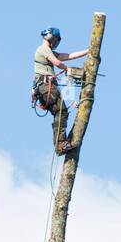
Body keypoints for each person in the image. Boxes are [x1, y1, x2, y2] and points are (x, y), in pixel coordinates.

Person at [32, 27, 87, 155]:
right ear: (52, 38)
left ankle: (61, 144)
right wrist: (68, 69)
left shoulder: (47, 51)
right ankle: (61, 144)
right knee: (61, 111)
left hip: (45, 87)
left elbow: (67, 56)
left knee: (60, 112)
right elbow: (57, 62)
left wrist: (87, 52)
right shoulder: (43, 49)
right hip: (47, 86)